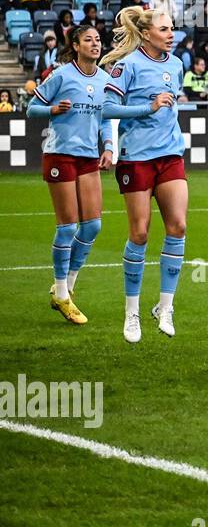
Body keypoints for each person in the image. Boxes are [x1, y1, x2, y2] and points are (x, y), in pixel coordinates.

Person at [100, 7, 187, 343]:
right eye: (164, 29)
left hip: (170, 155)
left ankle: (165, 307)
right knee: (139, 233)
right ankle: (131, 313)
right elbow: (106, 109)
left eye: (172, 28)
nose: (171, 34)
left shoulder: (177, 65)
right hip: (136, 158)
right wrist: (146, 108)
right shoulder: (128, 65)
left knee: (177, 225)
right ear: (147, 33)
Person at [25, 25, 123, 324]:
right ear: (76, 45)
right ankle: (63, 295)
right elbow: (32, 109)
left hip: (88, 157)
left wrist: (108, 147)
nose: (96, 44)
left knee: (92, 226)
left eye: (98, 40)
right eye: (89, 40)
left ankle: (65, 287)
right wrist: (52, 109)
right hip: (60, 154)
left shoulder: (106, 80)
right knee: (67, 228)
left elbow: (105, 119)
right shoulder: (62, 75)